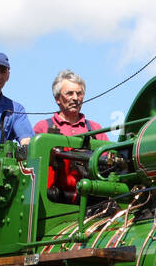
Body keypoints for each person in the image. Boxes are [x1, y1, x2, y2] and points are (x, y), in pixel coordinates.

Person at [34, 71, 104, 202]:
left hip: (90, 200)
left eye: (79, 93)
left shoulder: (95, 129)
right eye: (69, 93)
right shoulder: (42, 127)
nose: (75, 98)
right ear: (57, 99)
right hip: (54, 201)